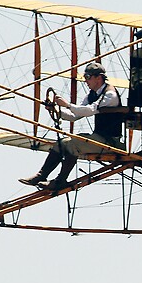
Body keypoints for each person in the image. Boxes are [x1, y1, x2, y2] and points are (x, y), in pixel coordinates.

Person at [19, 62, 124, 191]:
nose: (85, 81)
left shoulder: (110, 95)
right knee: (61, 143)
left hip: (110, 143)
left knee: (73, 144)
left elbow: (90, 110)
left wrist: (67, 105)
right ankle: (41, 176)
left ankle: (60, 181)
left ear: (99, 77)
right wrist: (57, 110)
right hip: (98, 138)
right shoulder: (92, 94)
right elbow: (75, 115)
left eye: (88, 77)